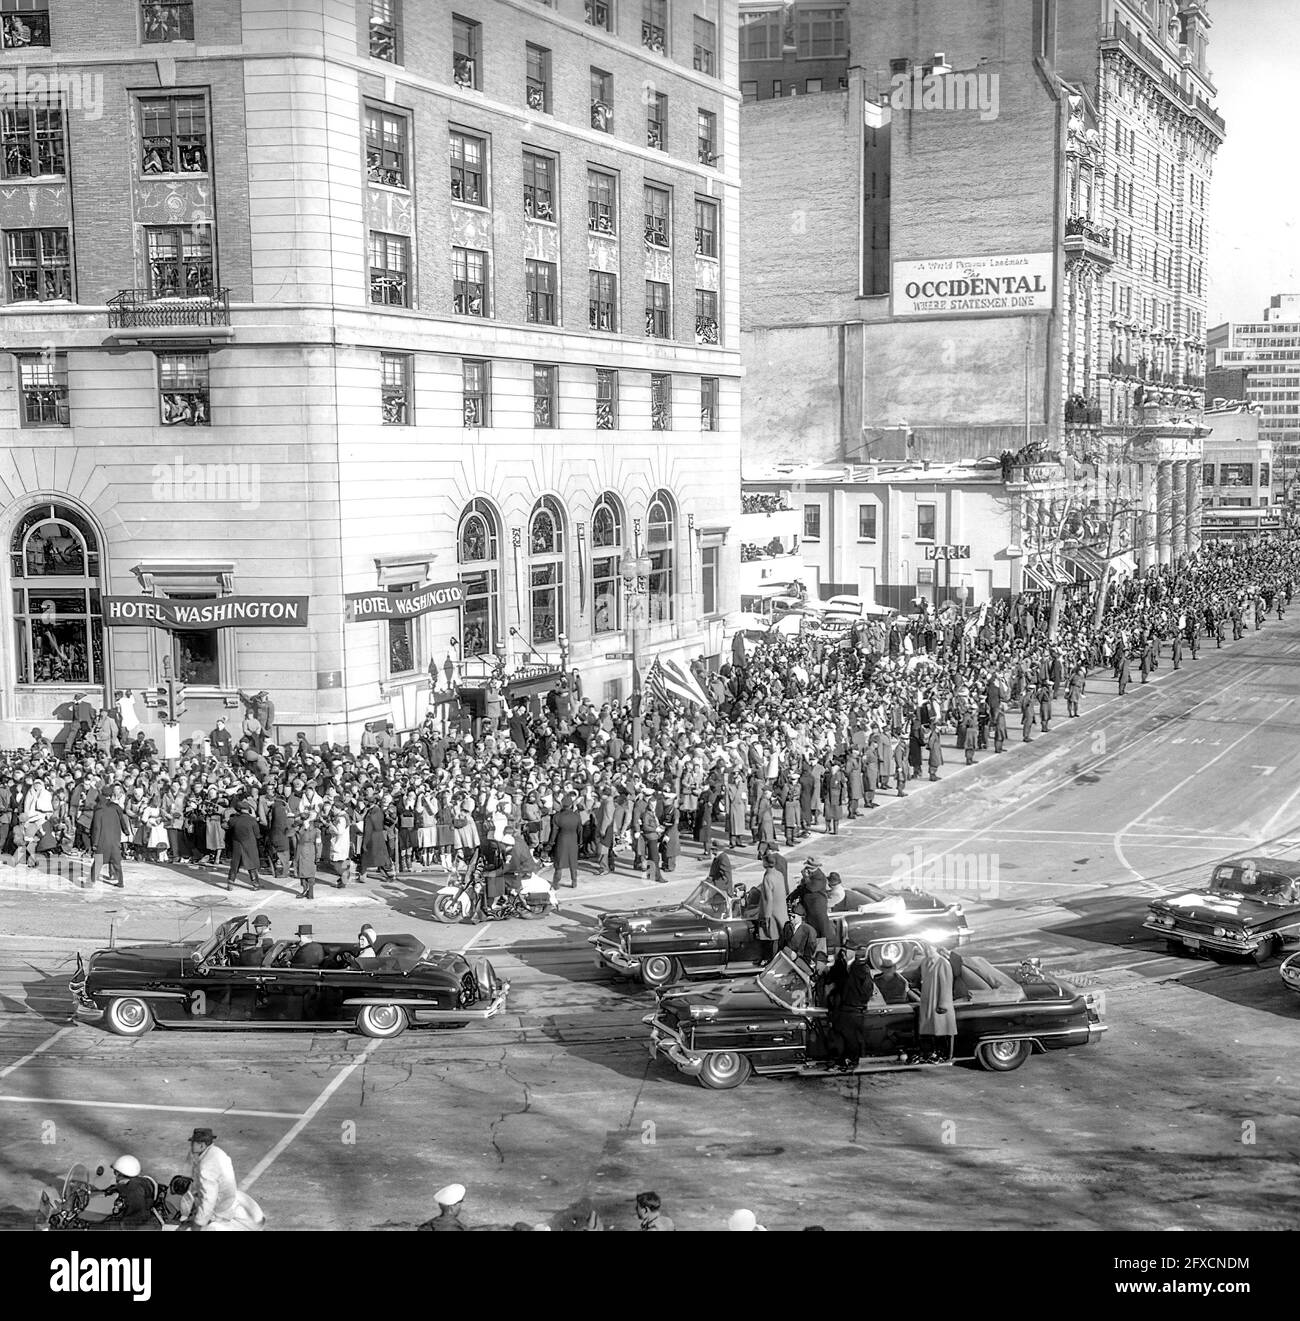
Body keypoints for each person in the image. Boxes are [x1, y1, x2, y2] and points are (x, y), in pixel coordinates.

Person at [179, 1128, 238, 1230]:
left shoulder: (207, 1166)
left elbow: (208, 1199)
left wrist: (198, 1223)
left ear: (202, 1145)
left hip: (220, 1209)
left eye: (193, 1143)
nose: (191, 1145)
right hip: (228, 1199)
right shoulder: (216, 1152)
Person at [916, 943, 957, 1063]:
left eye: (930, 947)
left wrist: (943, 1003)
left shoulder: (943, 963)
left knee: (940, 1029)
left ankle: (942, 1054)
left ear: (936, 948)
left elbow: (946, 985)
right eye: (925, 948)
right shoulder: (924, 963)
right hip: (927, 1001)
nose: (927, 950)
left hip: (938, 1002)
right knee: (929, 1029)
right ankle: (931, 1053)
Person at [105, 1155, 161, 1231]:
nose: (115, 1176)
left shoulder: (134, 1192)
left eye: (116, 1172)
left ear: (120, 1174)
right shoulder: (142, 1183)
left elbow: (134, 1217)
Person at [89, 786, 130, 889]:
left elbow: (96, 828)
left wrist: (94, 843)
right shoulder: (116, 807)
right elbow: (122, 820)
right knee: (117, 862)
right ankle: (120, 882)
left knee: (98, 861)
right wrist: (126, 831)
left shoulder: (98, 809)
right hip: (115, 839)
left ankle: (91, 881)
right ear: (111, 795)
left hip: (103, 840)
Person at [224, 800, 262, 891]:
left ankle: (230, 882)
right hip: (249, 844)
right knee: (251, 864)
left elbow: (227, 827)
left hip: (237, 844)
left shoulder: (234, 820)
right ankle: (255, 884)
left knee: (234, 864)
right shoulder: (252, 820)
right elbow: (257, 834)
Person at [756, 854, 788, 962]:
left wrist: (766, 917)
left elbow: (767, 899)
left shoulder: (768, 877)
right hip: (781, 911)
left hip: (771, 912)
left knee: (771, 937)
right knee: (778, 938)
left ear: (765, 863)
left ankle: (771, 961)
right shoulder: (779, 874)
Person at [549, 793, 582, 889]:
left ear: (562, 804)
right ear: (571, 805)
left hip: (561, 840)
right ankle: (574, 882)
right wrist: (580, 841)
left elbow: (554, 831)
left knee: (559, 863)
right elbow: (580, 829)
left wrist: (551, 843)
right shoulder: (576, 816)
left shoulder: (557, 816)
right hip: (573, 840)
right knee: (573, 862)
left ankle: (556, 883)